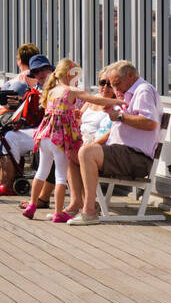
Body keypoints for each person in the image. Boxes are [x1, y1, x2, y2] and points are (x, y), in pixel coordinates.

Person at [23, 59, 124, 222]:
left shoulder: (51, 90)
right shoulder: (71, 91)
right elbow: (96, 100)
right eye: (76, 77)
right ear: (71, 75)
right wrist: (118, 102)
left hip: (45, 136)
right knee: (60, 176)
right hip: (60, 139)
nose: (77, 81)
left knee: (41, 171)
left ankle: (31, 206)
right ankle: (58, 212)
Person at [69, 60, 162, 225]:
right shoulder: (130, 92)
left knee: (85, 152)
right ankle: (78, 204)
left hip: (136, 157)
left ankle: (89, 211)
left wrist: (120, 116)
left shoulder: (143, 91)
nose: (115, 89)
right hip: (123, 153)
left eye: (117, 84)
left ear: (130, 75)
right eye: (113, 85)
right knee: (71, 152)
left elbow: (150, 123)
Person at [0, 54, 53, 195]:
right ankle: (3, 181)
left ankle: (7, 184)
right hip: (37, 128)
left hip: (49, 132)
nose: (39, 74)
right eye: (35, 71)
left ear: (50, 69)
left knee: (9, 138)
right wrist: (19, 103)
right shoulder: (37, 87)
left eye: (43, 69)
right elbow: (32, 110)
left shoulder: (56, 87)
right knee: (3, 137)